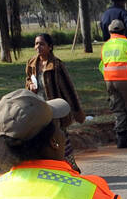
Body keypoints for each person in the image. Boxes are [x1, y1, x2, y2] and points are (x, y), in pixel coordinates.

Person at [26, 33, 88, 171]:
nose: (38, 47)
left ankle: (71, 167)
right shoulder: (31, 63)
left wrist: (76, 110)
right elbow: (28, 80)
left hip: (56, 110)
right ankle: (52, 168)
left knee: (61, 138)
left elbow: (68, 88)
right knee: (42, 139)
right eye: (36, 44)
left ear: (50, 47)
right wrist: (30, 86)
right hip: (39, 109)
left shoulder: (57, 65)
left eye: (42, 44)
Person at [98, 18, 127, 150]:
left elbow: (102, 65)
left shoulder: (105, 45)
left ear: (109, 31)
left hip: (109, 81)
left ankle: (121, 139)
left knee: (118, 109)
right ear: (124, 30)